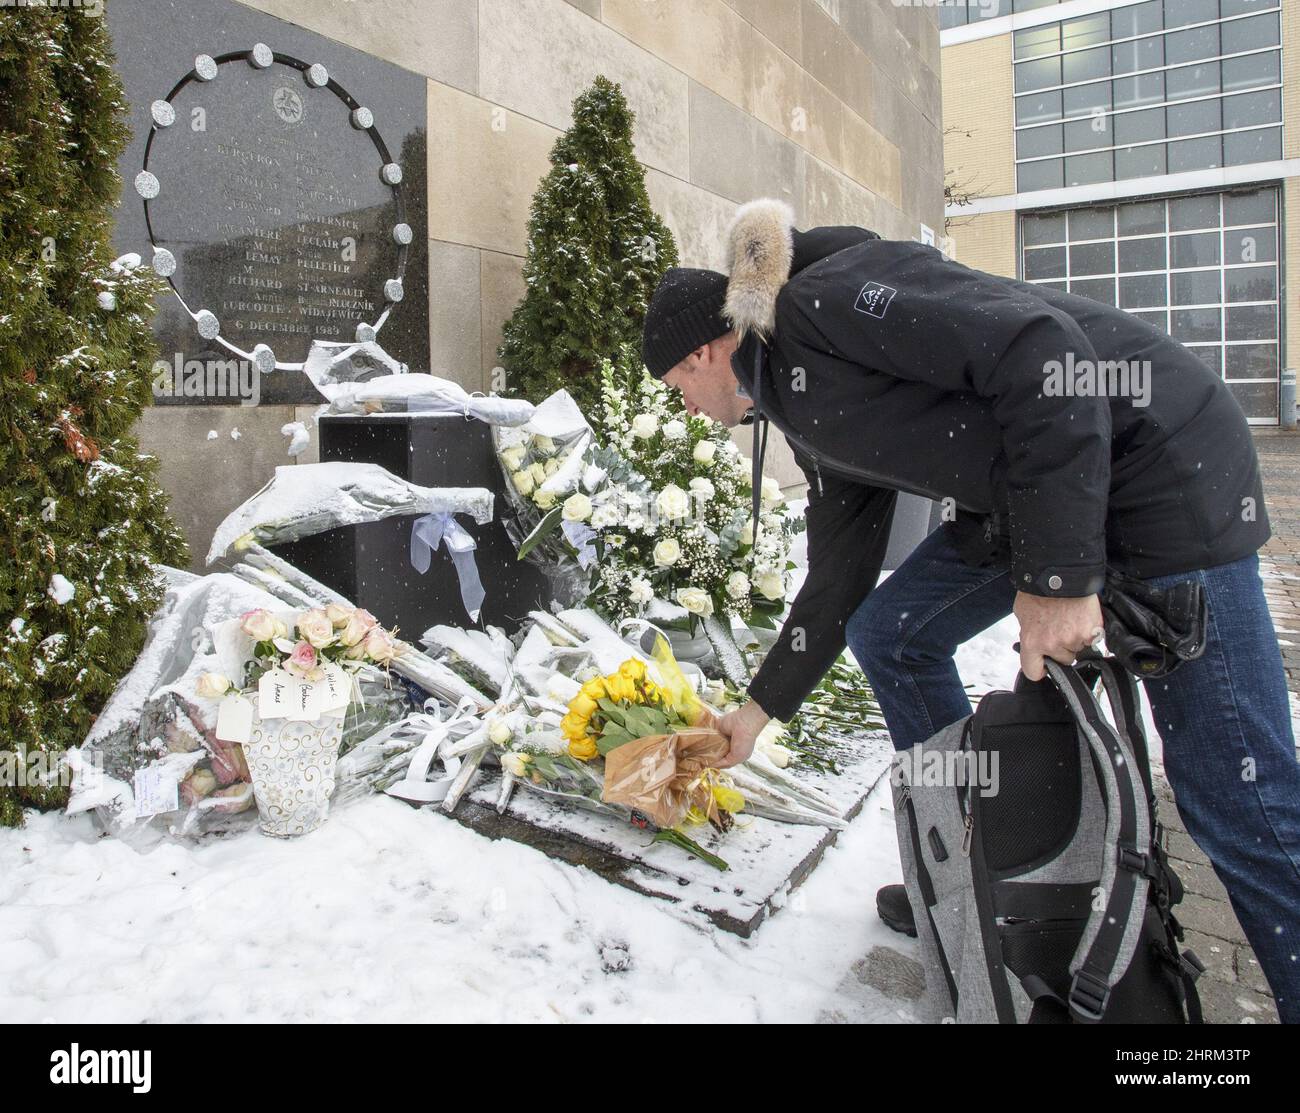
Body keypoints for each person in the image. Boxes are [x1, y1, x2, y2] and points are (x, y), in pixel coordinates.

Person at [640, 198, 1300, 1022]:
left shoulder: (828, 299)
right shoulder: (794, 393)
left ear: (703, 352)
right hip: (1037, 495)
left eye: (676, 389)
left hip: (1157, 467)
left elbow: (1041, 350)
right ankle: (970, 874)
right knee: (892, 631)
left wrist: (1057, 579)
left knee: (1239, 803)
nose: (686, 408)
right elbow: (838, 574)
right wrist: (757, 711)